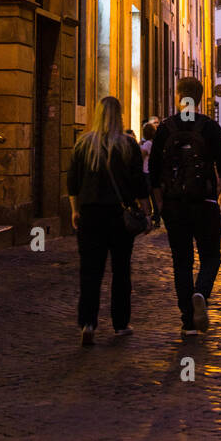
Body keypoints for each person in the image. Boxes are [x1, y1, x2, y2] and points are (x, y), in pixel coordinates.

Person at [148, 76, 221, 337]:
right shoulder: (210, 127)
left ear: (178, 96)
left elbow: (154, 169)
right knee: (211, 256)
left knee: (182, 261)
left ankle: (187, 321)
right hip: (205, 202)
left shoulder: (165, 128)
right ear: (199, 98)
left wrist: (159, 201)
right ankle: (201, 292)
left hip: (175, 204)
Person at [67, 96, 150, 346]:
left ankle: (88, 322)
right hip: (118, 216)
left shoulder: (83, 145)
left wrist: (74, 210)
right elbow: (138, 183)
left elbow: (73, 182)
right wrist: (145, 209)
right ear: (120, 116)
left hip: (90, 214)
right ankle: (121, 323)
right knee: (121, 270)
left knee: (90, 271)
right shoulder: (128, 145)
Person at [140, 120, 161, 227]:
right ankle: (157, 217)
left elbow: (141, 156)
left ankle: (147, 215)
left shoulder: (147, 144)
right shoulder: (155, 144)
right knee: (154, 196)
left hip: (146, 172)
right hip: (153, 172)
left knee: (145, 195)